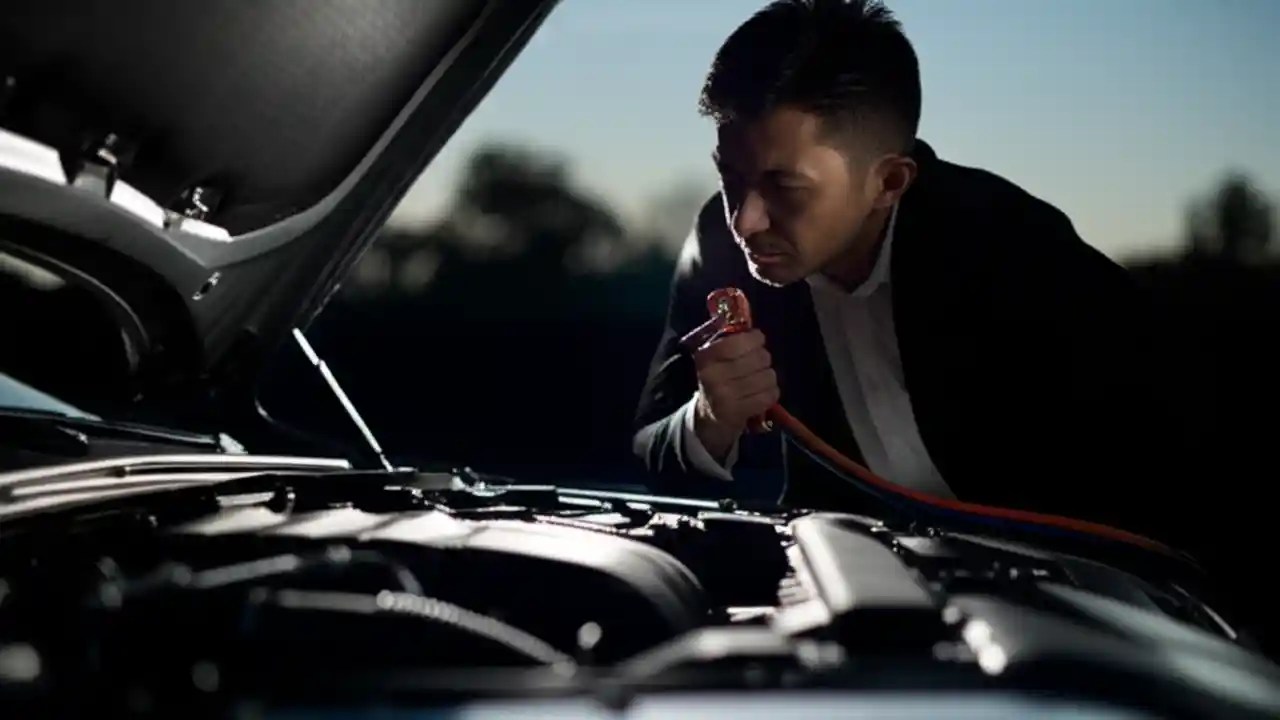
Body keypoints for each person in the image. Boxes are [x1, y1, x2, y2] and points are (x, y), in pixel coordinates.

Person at [632, 0, 1193, 536]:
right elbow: (646, 446)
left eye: (785, 187)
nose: (745, 221)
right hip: (842, 583)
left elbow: (1170, 444)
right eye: (729, 177)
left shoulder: (1013, 246)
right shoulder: (718, 244)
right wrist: (708, 418)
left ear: (889, 182)